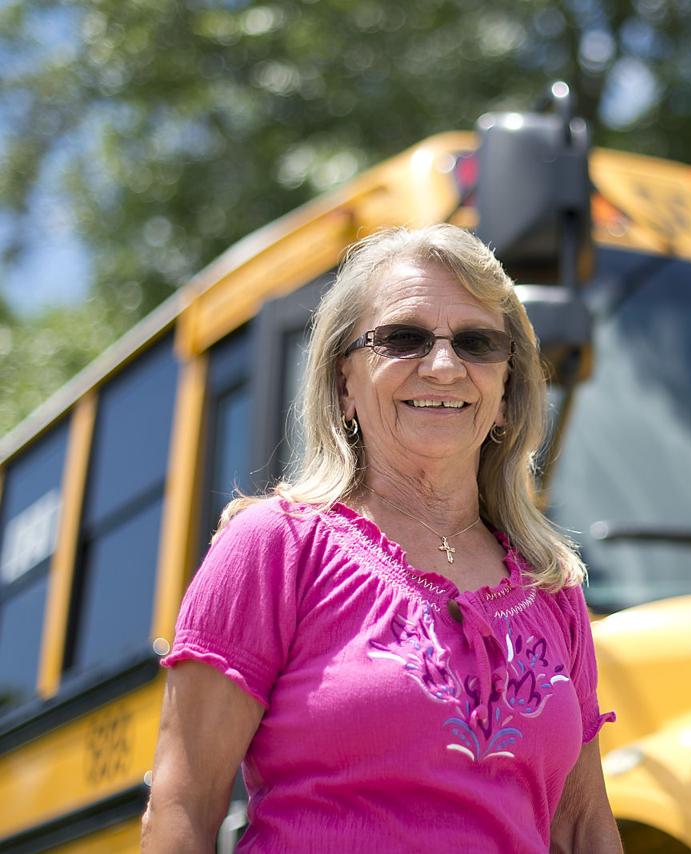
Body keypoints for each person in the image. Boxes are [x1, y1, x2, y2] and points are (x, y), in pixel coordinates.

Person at [141, 225, 621, 852]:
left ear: (506, 392)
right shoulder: (275, 549)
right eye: (404, 338)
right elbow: (182, 808)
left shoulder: (551, 591)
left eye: (478, 343)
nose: (445, 366)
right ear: (344, 384)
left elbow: (585, 830)